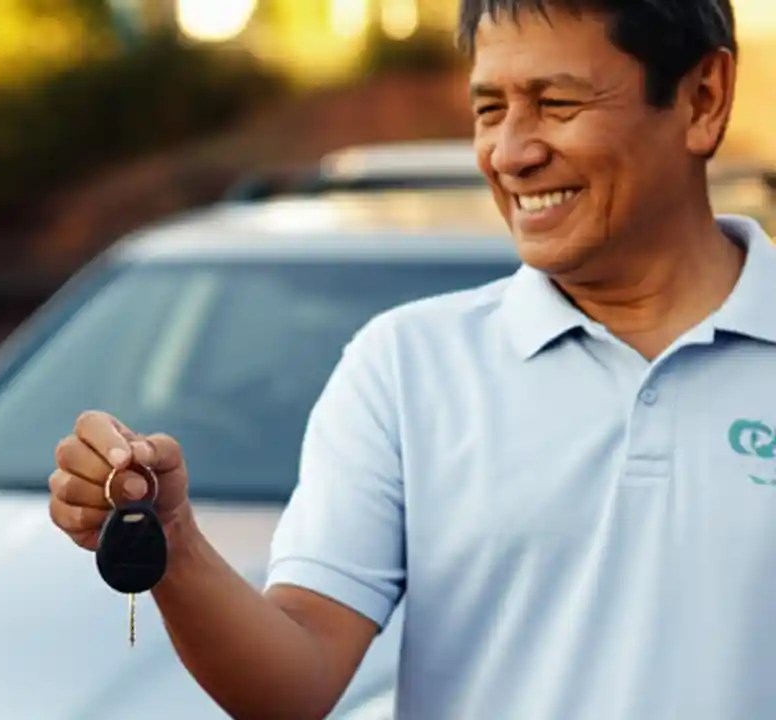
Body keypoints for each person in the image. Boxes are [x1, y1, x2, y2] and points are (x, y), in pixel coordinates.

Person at [49, 1, 775, 718]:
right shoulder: (403, 366)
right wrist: (173, 540)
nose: (511, 152)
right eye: (489, 111)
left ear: (702, 98)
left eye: (556, 103)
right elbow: (292, 679)